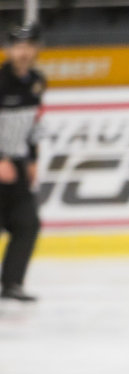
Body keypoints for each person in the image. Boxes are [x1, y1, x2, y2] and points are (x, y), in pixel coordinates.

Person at [0, 22, 45, 302]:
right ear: (8, 50)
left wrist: (32, 160)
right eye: (18, 46)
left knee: (27, 223)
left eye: (28, 46)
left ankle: (11, 284)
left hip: (17, 164)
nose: (23, 52)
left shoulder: (37, 81)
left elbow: (34, 122)